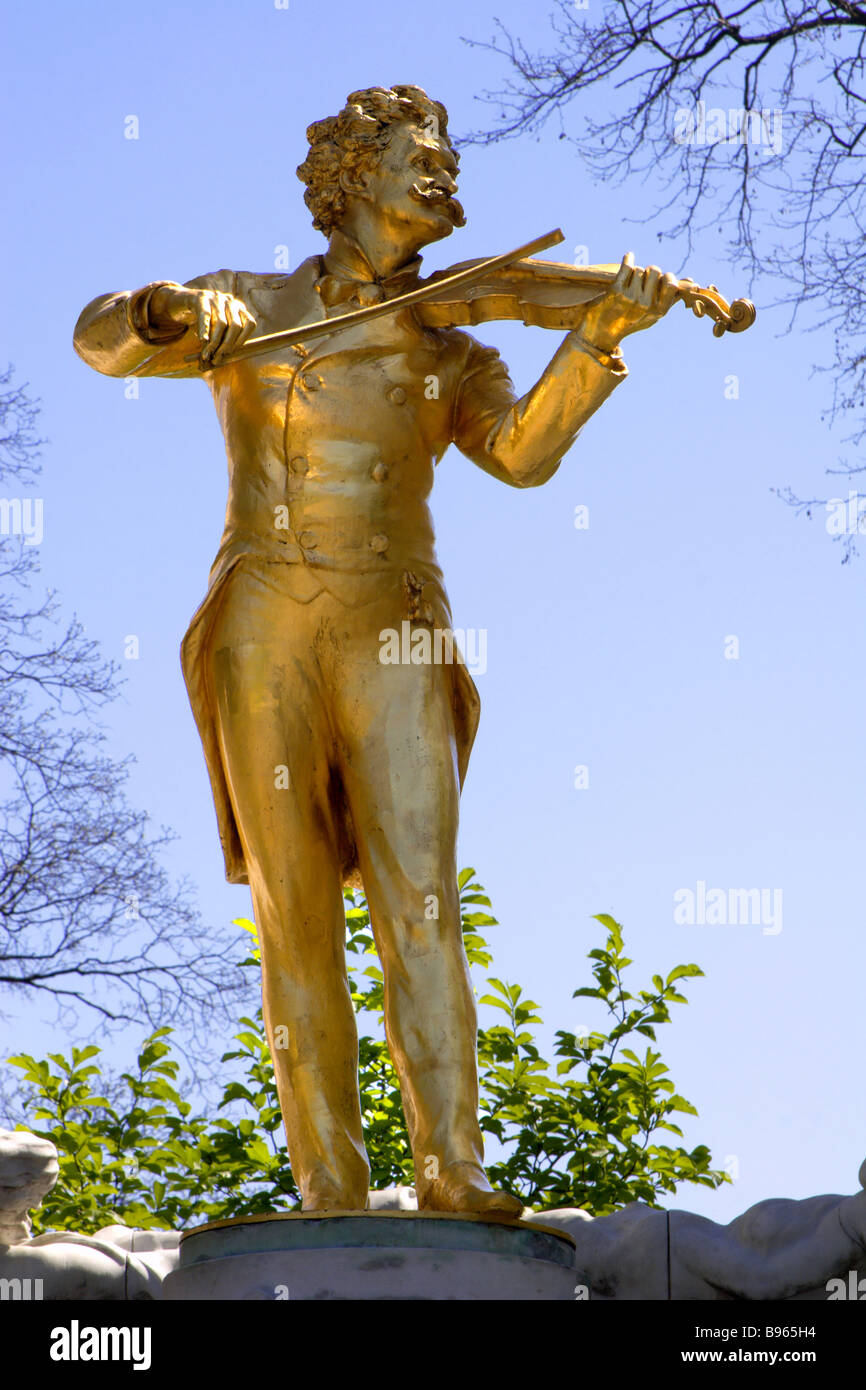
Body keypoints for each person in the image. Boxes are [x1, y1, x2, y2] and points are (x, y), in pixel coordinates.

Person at [74, 85, 677, 1215]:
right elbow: (98, 339)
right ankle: (329, 1192)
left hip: (394, 620)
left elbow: (519, 455)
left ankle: (453, 1171)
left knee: (423, 904)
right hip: (264, 617)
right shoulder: (247, 305)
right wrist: (157, 312)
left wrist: (592, 337)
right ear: (351, 179)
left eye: (447, 158)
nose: (444, 173)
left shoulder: (451, 340)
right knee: (292, 912)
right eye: (419, 158)